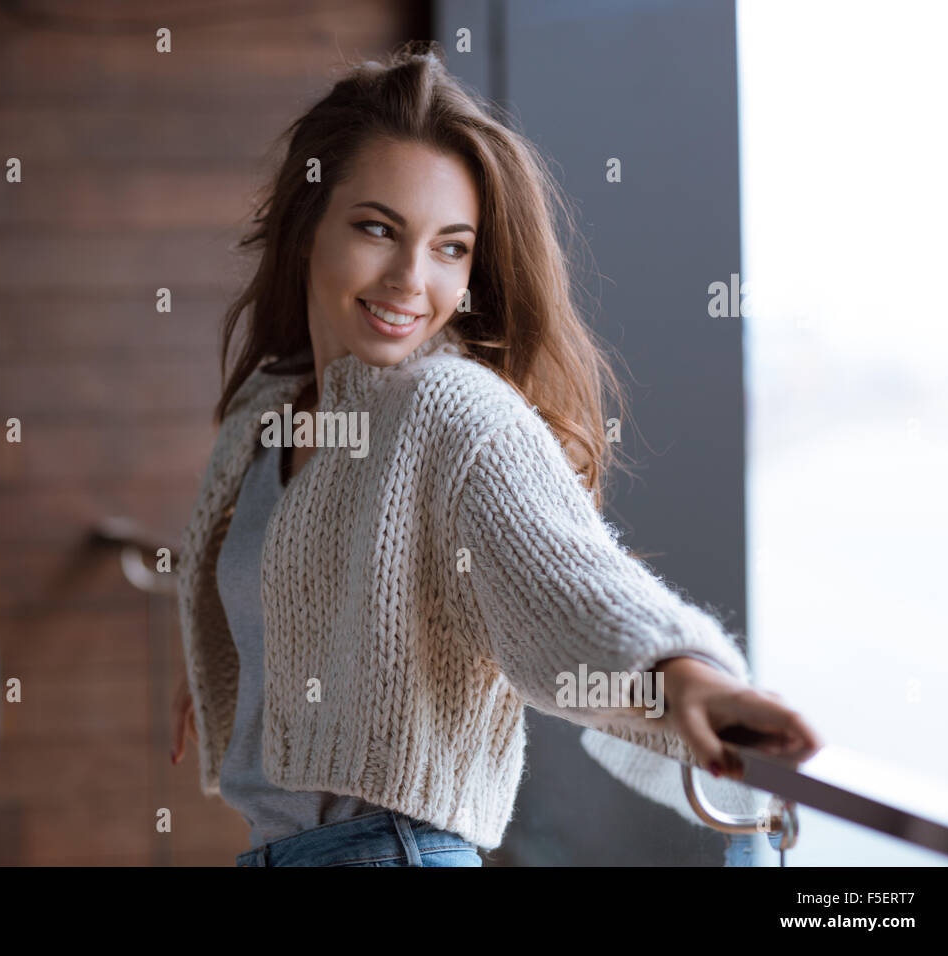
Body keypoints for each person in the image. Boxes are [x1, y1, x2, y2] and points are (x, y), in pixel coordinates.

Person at [170, 41, 822, 867]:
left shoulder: (453, 412)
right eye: (378, 229)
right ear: (308, 226)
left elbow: (568, 588)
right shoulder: (266, 413)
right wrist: (228, 658)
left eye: (451, 247)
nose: (412, 278)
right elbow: (279, 585)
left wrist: (681, 676)